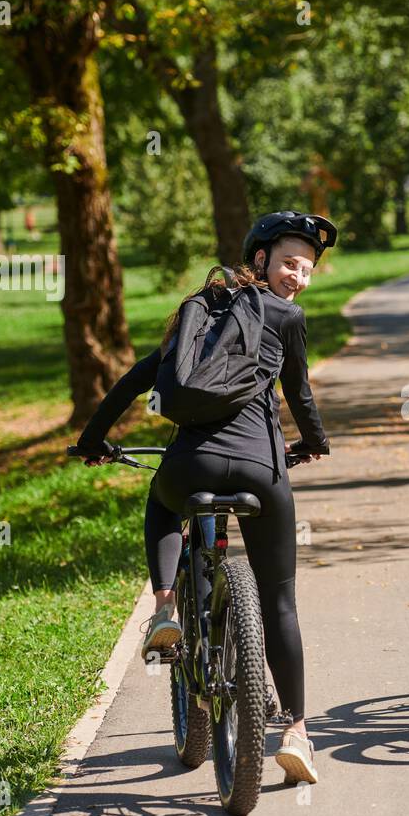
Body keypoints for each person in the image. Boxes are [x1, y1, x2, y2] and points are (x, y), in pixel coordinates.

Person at [75, 211, 336, 783]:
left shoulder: (196, 313)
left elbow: (134, 381)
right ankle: (295, 731)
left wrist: (93, 440)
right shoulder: (287, 317)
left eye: (308, 268)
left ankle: (166, 604)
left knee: (163, 500)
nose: (299, 277)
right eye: (290, 262)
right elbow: (300, 392)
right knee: (281, 602)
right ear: (261, 260)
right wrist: (313, 442)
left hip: (190, 464)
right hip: (261, 468)